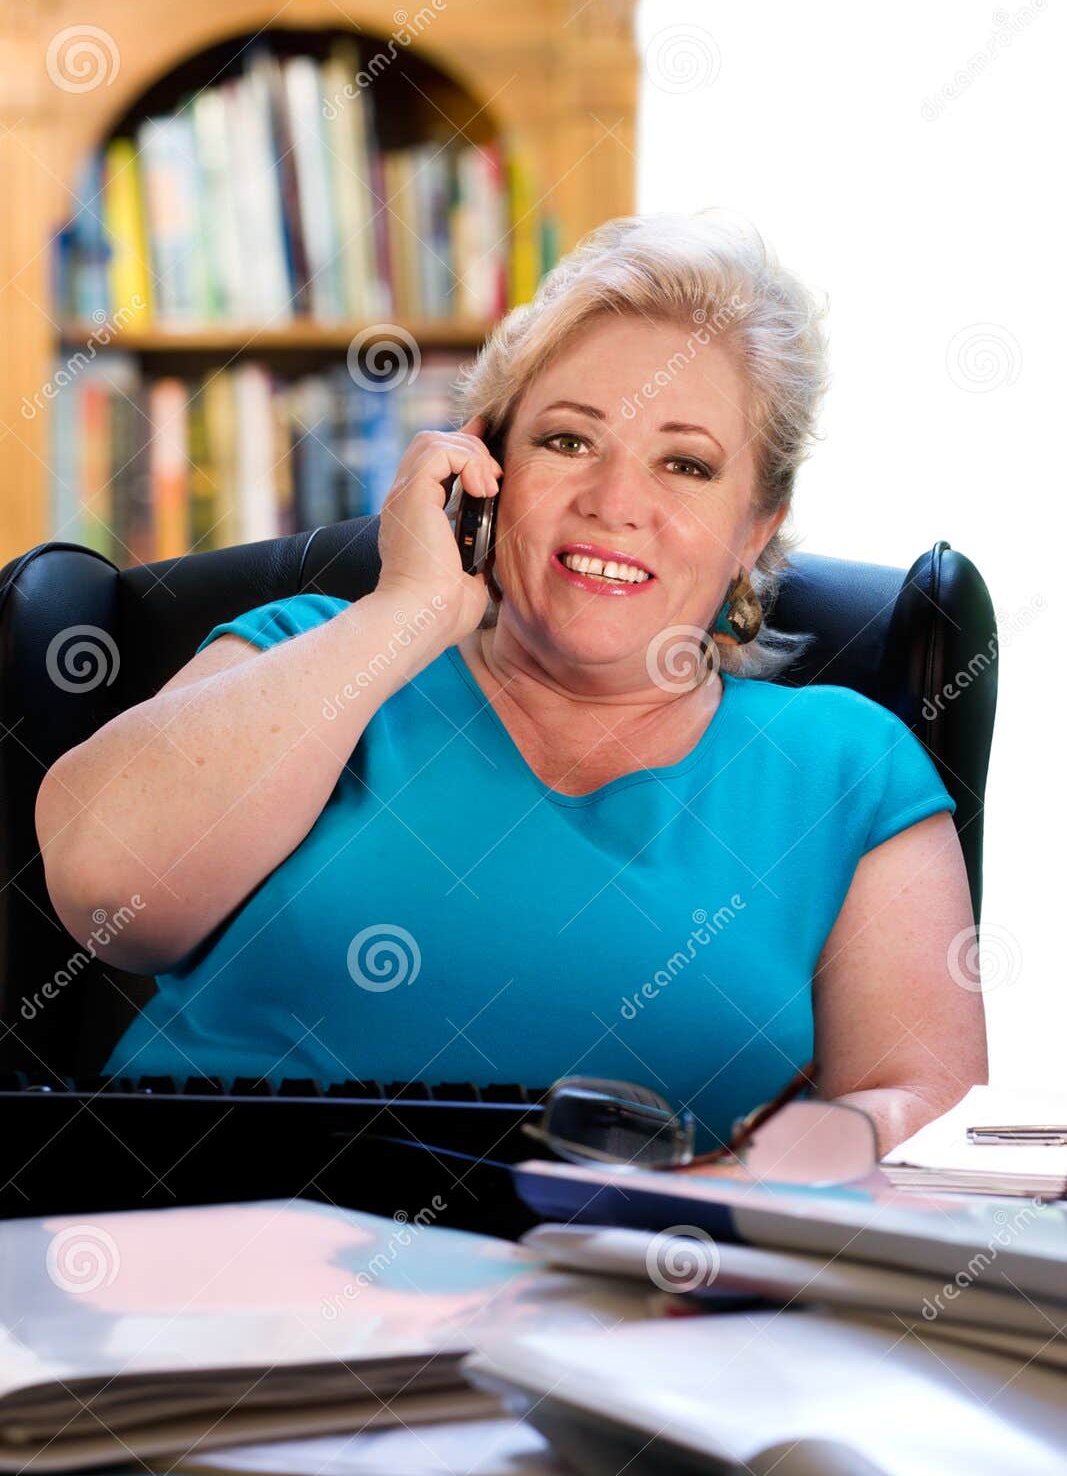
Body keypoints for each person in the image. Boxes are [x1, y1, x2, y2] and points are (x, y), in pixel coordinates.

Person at [35, 211, 987, 1154]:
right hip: (200, 1261)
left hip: (632, 1288)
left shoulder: (841, 768)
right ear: (482, 467)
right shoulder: (313, 654)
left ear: (754, 530)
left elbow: (927, 1113)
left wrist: (755, 1188)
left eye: (685, 464)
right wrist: (405, 613)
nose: (615, 503)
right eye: (567, 442)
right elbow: (105, 893)